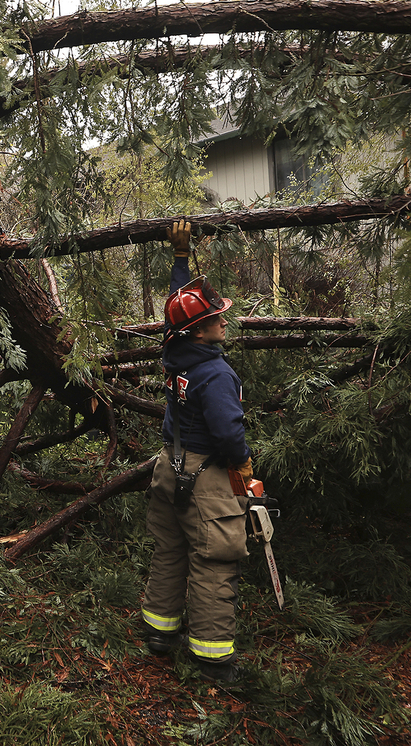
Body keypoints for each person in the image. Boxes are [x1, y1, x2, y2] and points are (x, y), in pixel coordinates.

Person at [138, 220, 253, 684]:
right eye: (216, 318)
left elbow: (176, 311)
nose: (224, 320)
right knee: (213, 562)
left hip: (169, 467)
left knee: (169, 551)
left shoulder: (177, 352)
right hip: (206, 479)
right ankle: (213, 660)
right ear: (200, 330)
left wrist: (180, 261)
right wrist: (242, 464)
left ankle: (159, 634)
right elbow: (228, 434)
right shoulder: (217, 375)